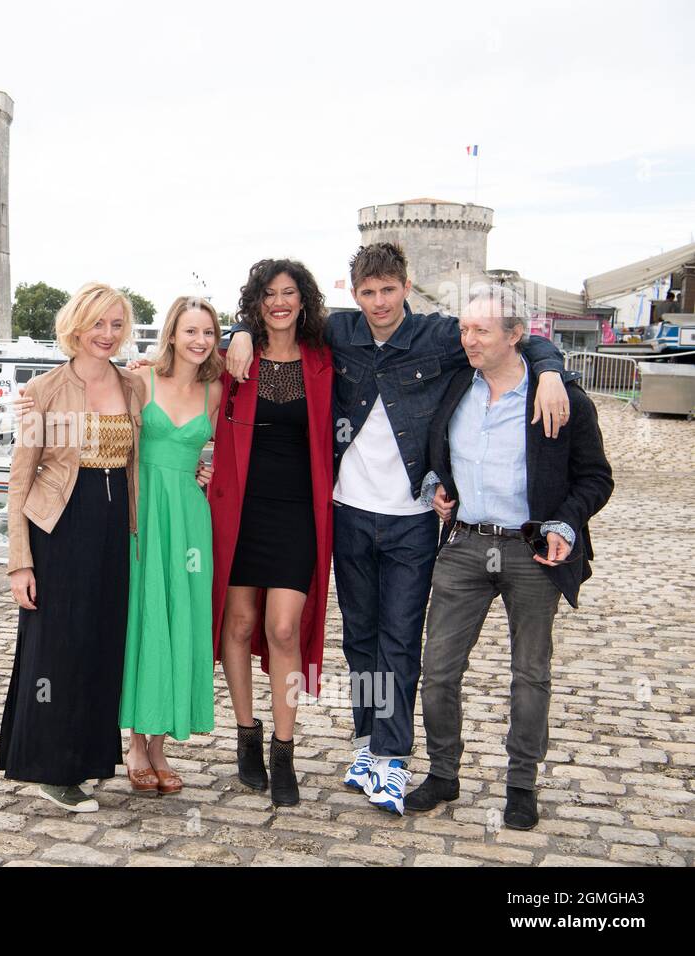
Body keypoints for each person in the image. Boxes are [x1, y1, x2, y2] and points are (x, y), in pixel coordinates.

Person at [226, 242, 571, 816]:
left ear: (406, 285)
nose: (379, 302)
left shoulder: (439, 335)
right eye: (368, 292)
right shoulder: (338, 333)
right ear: (352, 293)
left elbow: (516, 336)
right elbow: (272, 315)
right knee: (360, 638)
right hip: (348, 511)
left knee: (400, 638)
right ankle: (366, 743)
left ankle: (392, 753)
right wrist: (240, 329)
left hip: (413, 515)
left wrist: (551, 370)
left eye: (389, 290)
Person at [406, 286, 613, 829]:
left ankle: (522, 784)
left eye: (481, 331)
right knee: (439, 671)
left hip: (532, 550)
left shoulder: (561, 398)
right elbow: (434, 450)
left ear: (514, 335)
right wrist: (437, 485)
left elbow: (596, 476)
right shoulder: (455, 386)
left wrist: (565, 523)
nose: (467, 340)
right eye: (465, 330)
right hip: (465, 544)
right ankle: (443, 773)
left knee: (530, 674)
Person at [0, 282, 146, 813]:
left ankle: (86, 758)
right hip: (58, 523)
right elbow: (20, 480)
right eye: (97, 324)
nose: (106, 335)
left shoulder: (134, 386)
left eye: (115, 325)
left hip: (112, 523)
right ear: (76, 326)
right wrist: (20, 562)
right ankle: (52, 768)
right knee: (56, 647)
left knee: (102, 643)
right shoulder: (43, 390)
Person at [211, 259, 334, 807]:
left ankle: (285, 749)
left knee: (284, 629)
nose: (279, 302)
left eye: (289, 293)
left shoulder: (326, 358)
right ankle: (246, 737)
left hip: (298, 515)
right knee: (237, 625)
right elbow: (170, 381)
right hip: (240, 511)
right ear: (255, 303)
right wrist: (236, 335)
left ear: (303, 301)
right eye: (268, 294)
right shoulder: (235, 361)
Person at [120, 296, 221, 795]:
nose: (199, 341)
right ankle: (136, 743)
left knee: (179, 621)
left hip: (188, 519)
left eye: (208, 332)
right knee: (145, 620)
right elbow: (90, 399)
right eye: (190, 331)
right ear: (172, 335)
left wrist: (211, 471)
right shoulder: (140, 380)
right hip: (144, 513)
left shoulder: (216, 391)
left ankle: (159, 744)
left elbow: (232, 450)